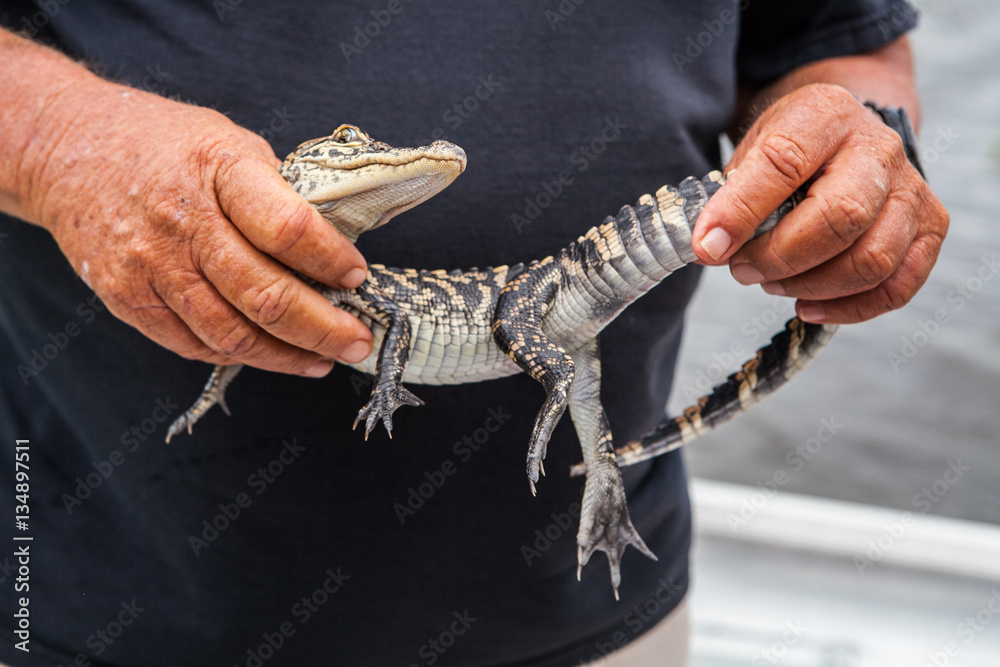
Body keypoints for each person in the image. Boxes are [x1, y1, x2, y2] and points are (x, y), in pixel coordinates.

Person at [0, 2, 947, 665]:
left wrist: (866, 148)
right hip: (100, 609)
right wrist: (55, 140)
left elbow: (835, 36)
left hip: (602, 605)